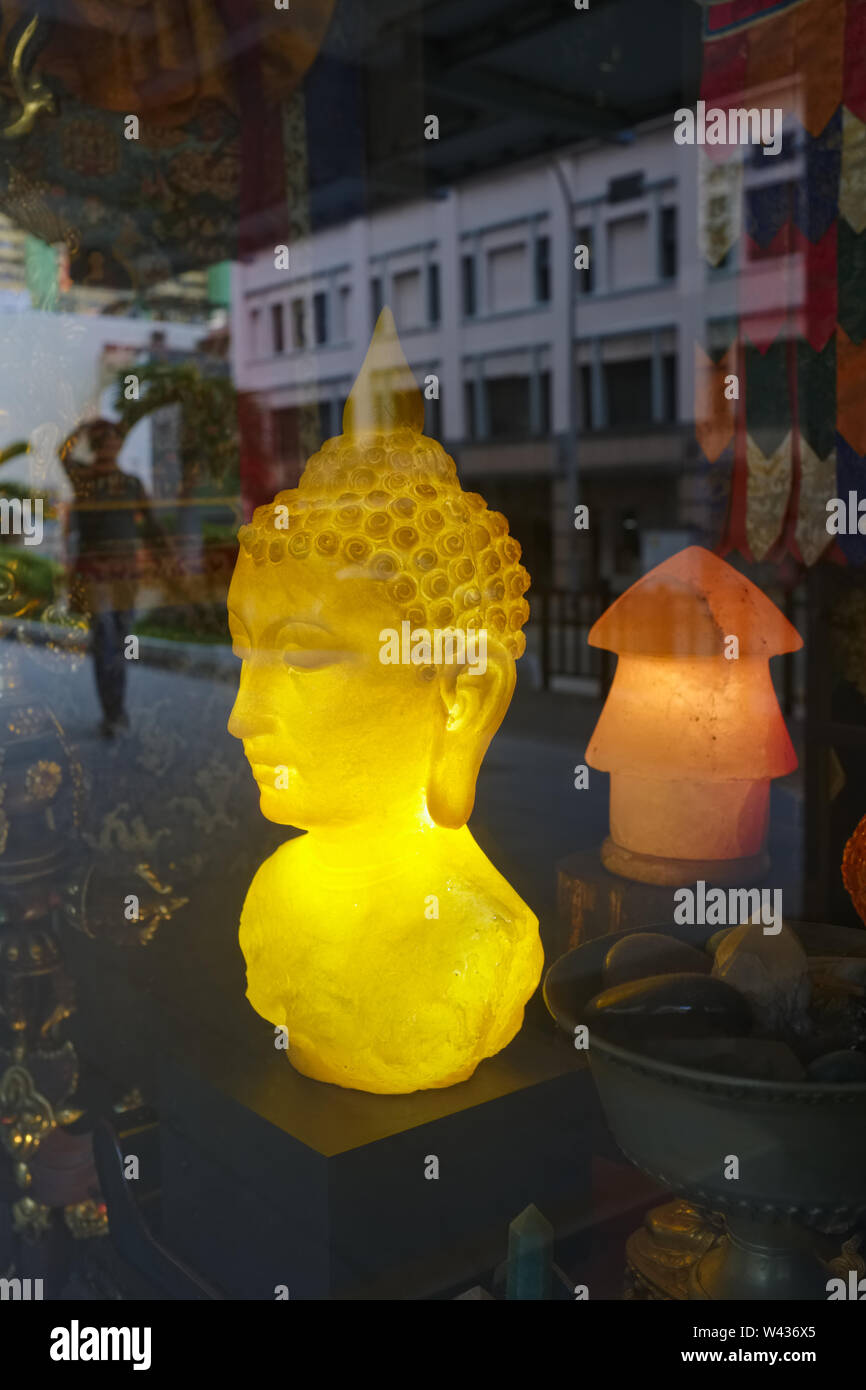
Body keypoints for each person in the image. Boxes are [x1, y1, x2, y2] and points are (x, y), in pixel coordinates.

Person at [61, 418, 165, 737]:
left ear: (119, 446)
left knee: (117, 640)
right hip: (94, 575)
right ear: (95, 446)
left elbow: (150, 523)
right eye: (103, 440)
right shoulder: (82, 479)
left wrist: (167, 557)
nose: (110, 445)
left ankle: (116, 709)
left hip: (125, 575)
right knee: (104, 639)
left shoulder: (132, 484)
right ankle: (113, 713)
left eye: (114, 439)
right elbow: (62, 454)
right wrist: (84, 426)